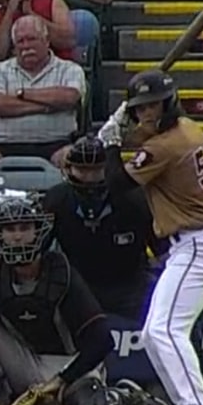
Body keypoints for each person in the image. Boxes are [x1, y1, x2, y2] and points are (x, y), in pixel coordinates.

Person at [94, 68, 203, 405]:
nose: (146, 113)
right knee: (154, 333)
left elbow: (118, 184)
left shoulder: (167, 145)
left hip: (198, 244)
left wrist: (111, 140)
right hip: (194, 244)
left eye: (153, 105)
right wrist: (132, 124)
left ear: (169, 102)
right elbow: (151, 137)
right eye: (141, 107)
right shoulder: (187, 129)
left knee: (165, 330)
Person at [0, 198, 167, 405]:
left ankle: (132, 400)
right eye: (10, 229)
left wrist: (62, 380)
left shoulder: (61, 273)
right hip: (26, 361)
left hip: (73, 363)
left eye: (24, 228)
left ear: (37, 231)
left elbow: (102, 341)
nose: (17, 236)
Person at [45, 136, 160, 319]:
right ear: (69, 169)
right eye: (82, 170)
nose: (89, 177)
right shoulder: (56, 200)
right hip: (78, 285)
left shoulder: (134, 199)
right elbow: (41, 250)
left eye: (96, 170)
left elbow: (160, 247)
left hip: (130, 283)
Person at [0, 15, 86, 170]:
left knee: (72, 156)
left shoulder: (70, 69)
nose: (26, 46)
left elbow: (69, 97)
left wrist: (23, 94)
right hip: (2, 145)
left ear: (46, 41)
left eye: (32, 39)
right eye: (20, 42)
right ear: (14, 47)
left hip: (57, 143)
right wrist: (46, 106)